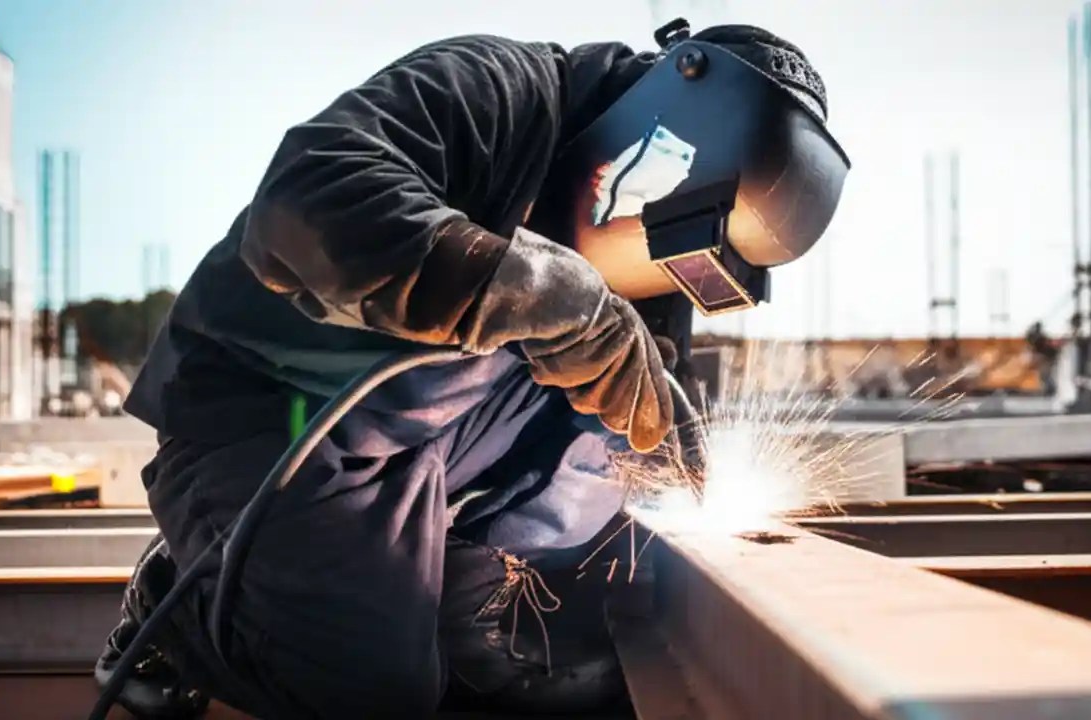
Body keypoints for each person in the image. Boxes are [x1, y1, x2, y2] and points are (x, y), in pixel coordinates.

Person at [96, 19, 849, 719]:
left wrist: (684, 462)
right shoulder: (494, 89)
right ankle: (181, 605)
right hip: (268, 417)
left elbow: (648, 414)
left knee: (619, 423)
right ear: (669, 112)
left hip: (424, 441)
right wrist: (526, 286)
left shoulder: (651, 245)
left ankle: (460, 610)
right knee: (376, 691)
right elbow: (305, 200)